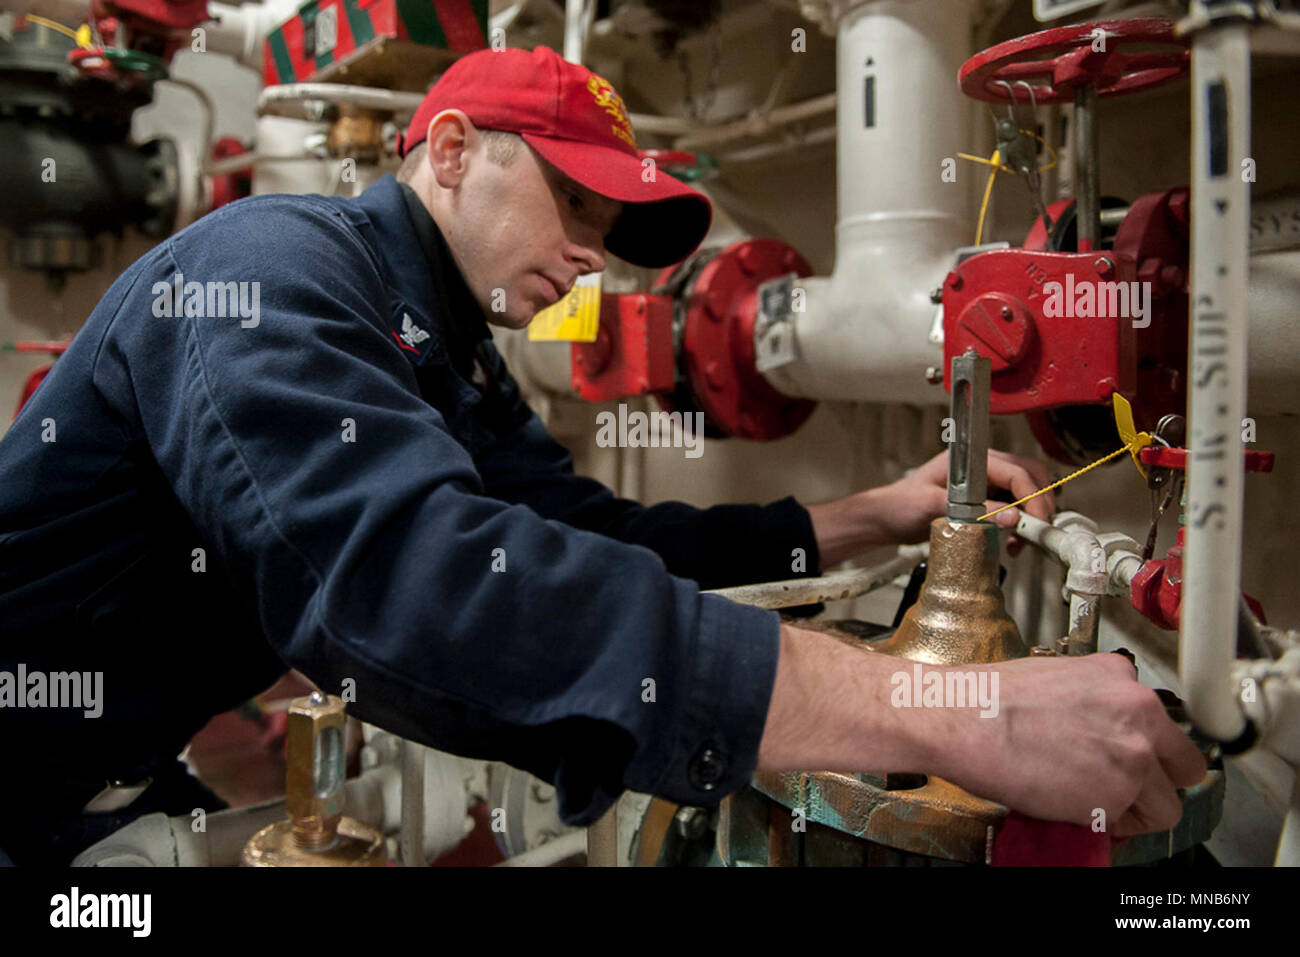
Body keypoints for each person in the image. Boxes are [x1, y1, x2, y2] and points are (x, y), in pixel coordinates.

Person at [0, 45, 1203, 865]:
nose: (595, 257)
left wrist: (871, 516)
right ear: (454, 150)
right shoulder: (271, 270)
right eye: (577, 207)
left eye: (614, 231)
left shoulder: (444, 344)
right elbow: (415, 587)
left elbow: (596, 536)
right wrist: (944, 709)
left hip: (109, 771)